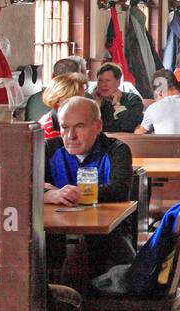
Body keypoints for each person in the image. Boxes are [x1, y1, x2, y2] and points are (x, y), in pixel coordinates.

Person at [42, 95, 136, 279]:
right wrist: (48, 193)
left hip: (108, 234)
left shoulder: (116, 150)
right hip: (55, 233)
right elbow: (26, 185)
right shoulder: (48, 149)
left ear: (97, 126)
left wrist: (75, 194)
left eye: (80, 126)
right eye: (65, 127)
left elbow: (119, 189)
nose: (71, 136)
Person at [92, 62, 145, 133]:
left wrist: (117, 104)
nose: (103, 85)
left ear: (118, 82)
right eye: (100, 80)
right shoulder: (92, 101)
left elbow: (130, 126)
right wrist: (97, 105)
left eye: (108, 80)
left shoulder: (133, 99)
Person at [36, 72, 89, 139]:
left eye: (81, 99)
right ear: (57, 101)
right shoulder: (47, 127)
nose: (79, 104)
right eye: (73, 101)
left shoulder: (80, 119)